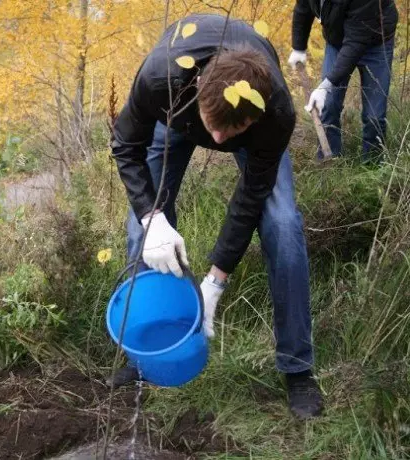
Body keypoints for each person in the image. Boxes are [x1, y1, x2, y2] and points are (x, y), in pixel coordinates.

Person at [109, 14, 324, 419]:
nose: (221, 142)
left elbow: (250, 198)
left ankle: (298, 369)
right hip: (178, 114)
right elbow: (125, 145)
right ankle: (144, 355)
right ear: (198, 92)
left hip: (245, 123)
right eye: (215, 129)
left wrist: (215, 281)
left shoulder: (274, 113)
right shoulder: (162, 78)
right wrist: (152, 217)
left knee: (283, 226)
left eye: (234, 130)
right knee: (141, 231)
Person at [289, 0, 398, 163]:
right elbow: (303, 8)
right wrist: (299, 47)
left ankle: (372, 168)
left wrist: (326, 86)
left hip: (376, 42)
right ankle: (331, 165)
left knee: (374, 117)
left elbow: (355, 42)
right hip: (337, 41)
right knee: (328, 106)